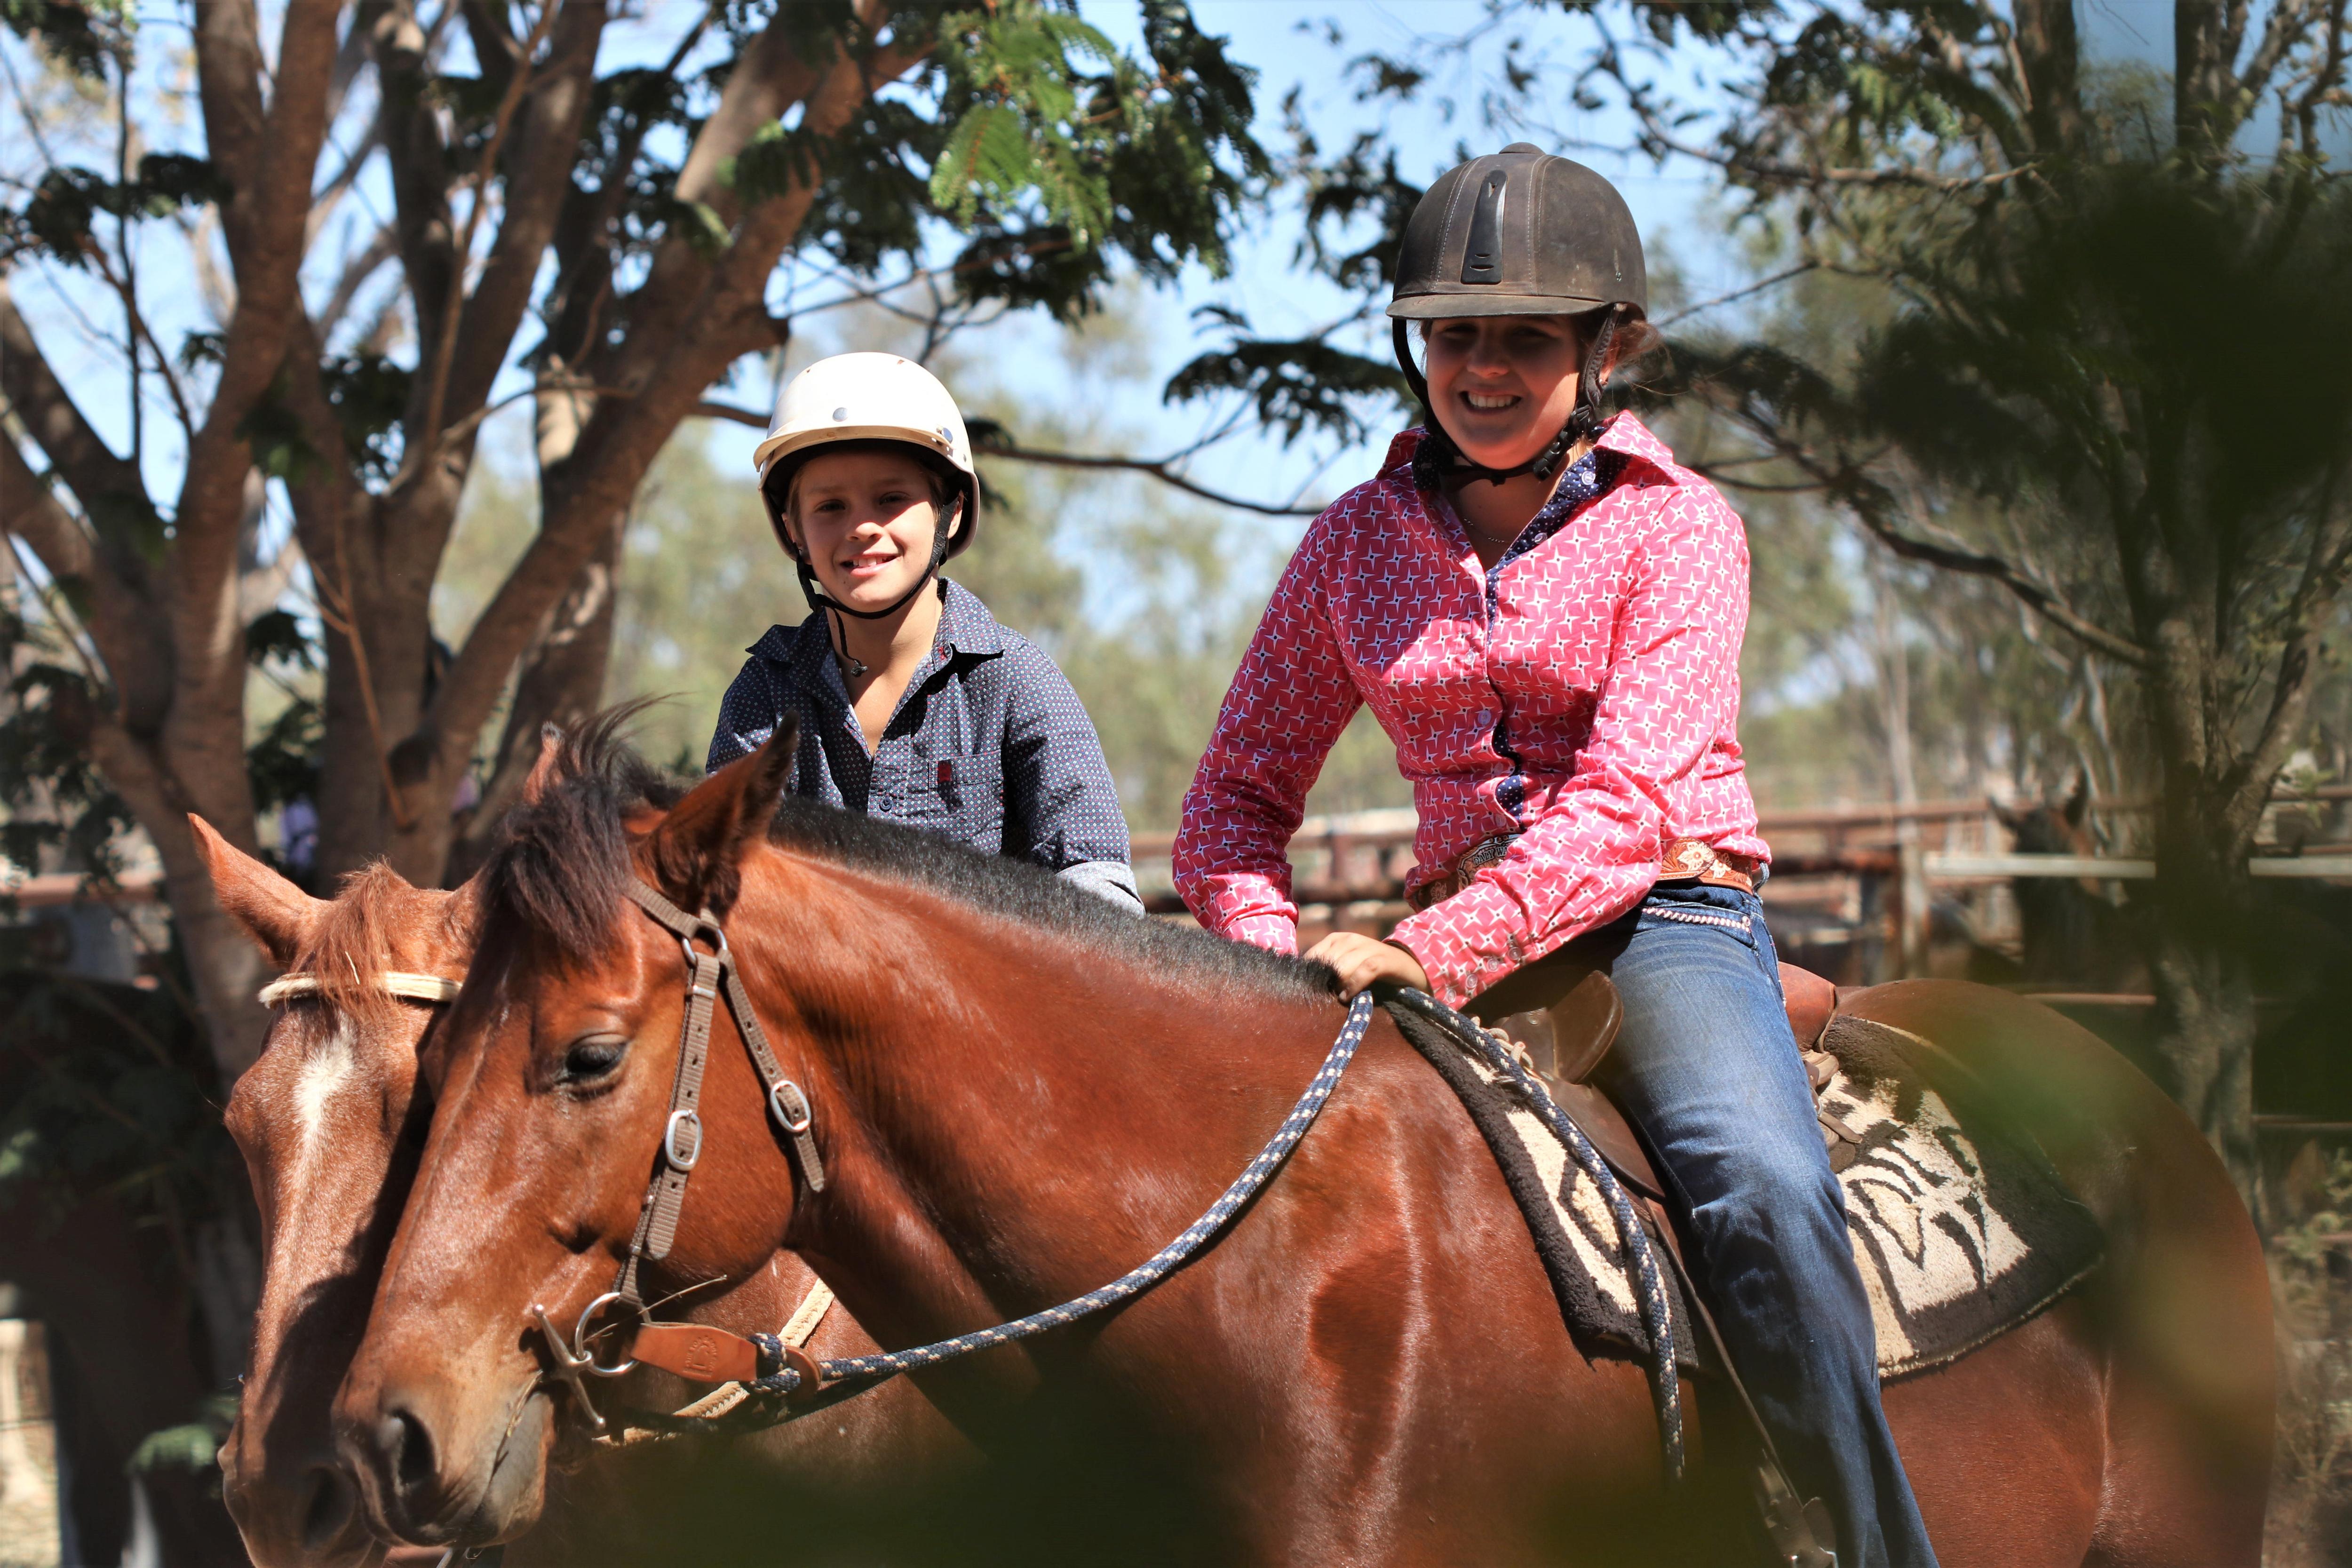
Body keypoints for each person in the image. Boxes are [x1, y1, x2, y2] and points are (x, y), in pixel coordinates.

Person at [1172, 146, 1935, 1566]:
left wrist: (1427, 953)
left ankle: (1861, 1536)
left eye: (1525, 336)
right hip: (1426, 945)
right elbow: (1230, 799)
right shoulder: (1350, 546)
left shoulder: (1681, 530)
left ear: (1610, 347)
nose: (1480, 366)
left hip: (1660, 924)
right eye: (1454, 334)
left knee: (1762, 1191)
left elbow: (1623, 809)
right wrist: (1271, 970)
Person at [710, 351, 1142, 914]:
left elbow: (1098, 891)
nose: (862, 527)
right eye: (829, 506)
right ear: (792, 529)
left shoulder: (1014, 680)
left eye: (890, 500)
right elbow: (717, 877)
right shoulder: (765, 692)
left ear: (952, 512)